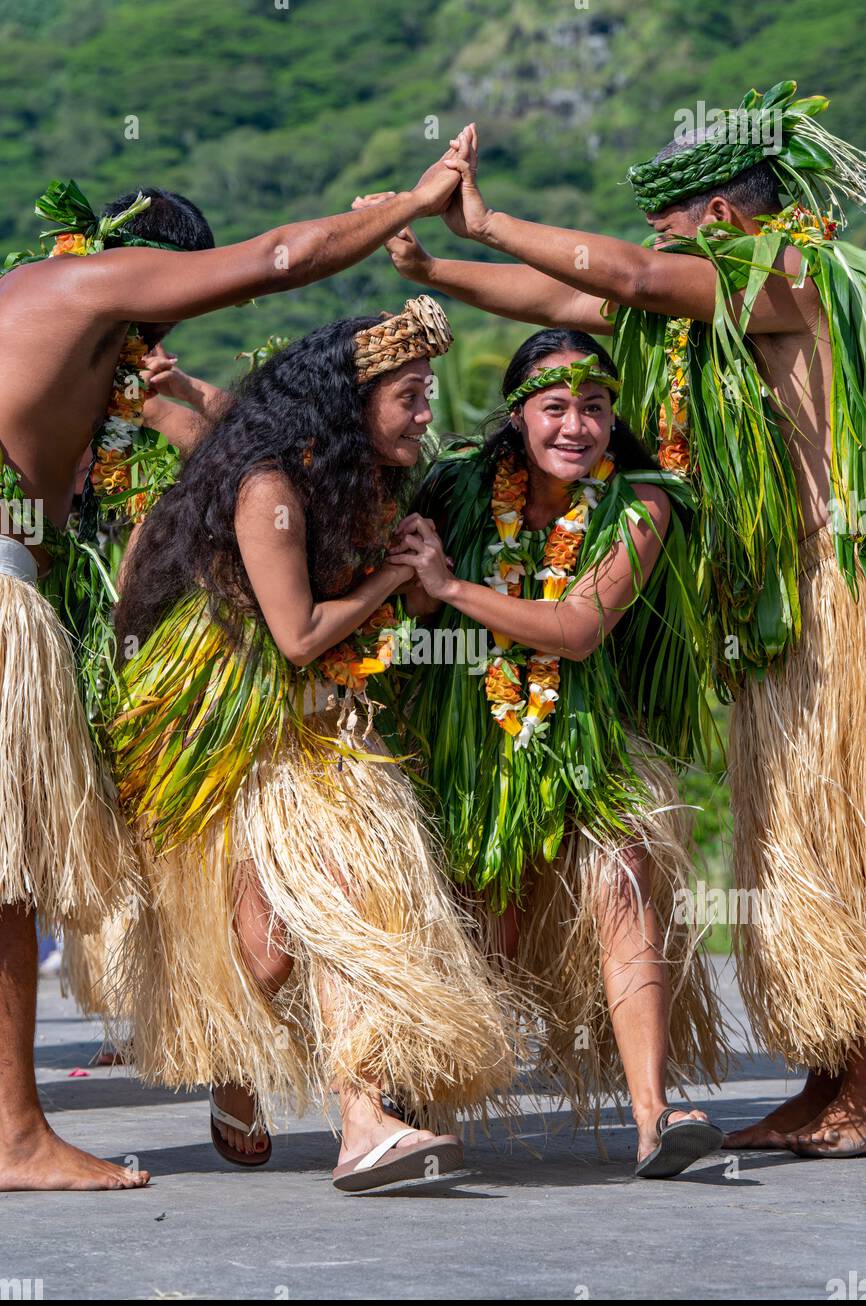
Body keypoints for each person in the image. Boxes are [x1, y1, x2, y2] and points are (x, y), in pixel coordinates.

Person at [382, 86, 866, 1158]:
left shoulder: (792, 278)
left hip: (839, 592)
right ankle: (831, 1074)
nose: (654, 246)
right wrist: (434, 271)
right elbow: (575, 304)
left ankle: (859, 1085)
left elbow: (632, 277)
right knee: (795, 841)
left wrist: (487, 217)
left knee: (842, 839)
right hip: (769, 607)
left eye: (671, 225)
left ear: (729, 221)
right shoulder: (711, 309)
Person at [0, 132, 479, 1192]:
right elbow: (284, 256)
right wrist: (412, 201)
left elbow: (222, 433)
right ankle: (18, 1134)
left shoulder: (25, 309)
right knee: (8, 881)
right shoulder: (92, 284)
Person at [102, 296, 515, 1193]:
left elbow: (390, 617)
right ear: (348, 402)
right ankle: (242, 1070)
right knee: (268, 950)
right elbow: (297, 635)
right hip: (232, 727)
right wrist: (392, 581)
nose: (425, 414)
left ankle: (363, 1123)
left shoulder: (365, 478)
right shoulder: (267, 488)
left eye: (427, 394)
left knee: (339, 903)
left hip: (324, 727)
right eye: (408, 395)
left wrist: (420, 574)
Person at [384, 330, 726, 1177]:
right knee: (480, 917)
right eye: (556, 407)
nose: (579, 426)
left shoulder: (643, 504)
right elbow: (410, 621)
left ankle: (654, 1117)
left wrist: (455, 587)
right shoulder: (458, 486)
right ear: (517, 416)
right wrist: (425, 595)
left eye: (597, 407)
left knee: (627, 878)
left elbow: (577, 631)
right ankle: (427, 1107)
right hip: (468, 741)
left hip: (586, 741)